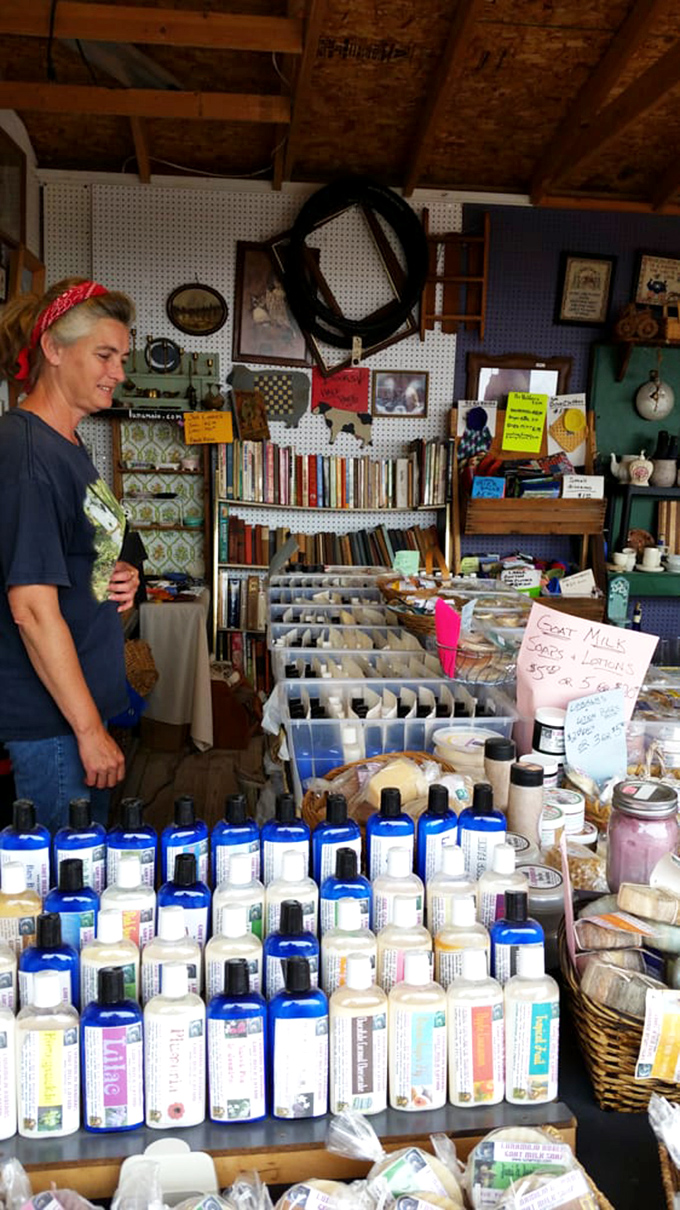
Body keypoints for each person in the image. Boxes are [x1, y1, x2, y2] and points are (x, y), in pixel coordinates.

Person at [0, 277, 139, 832]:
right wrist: (88, 732)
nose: (119, 372)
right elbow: (31, 609)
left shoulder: (68, 443)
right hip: (54, 727)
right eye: (104, 355)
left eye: (122, 357)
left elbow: (67, 553)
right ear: (53, 351)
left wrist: (110, 570)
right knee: (64, 886)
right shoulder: (27, 454)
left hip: (79, 710)